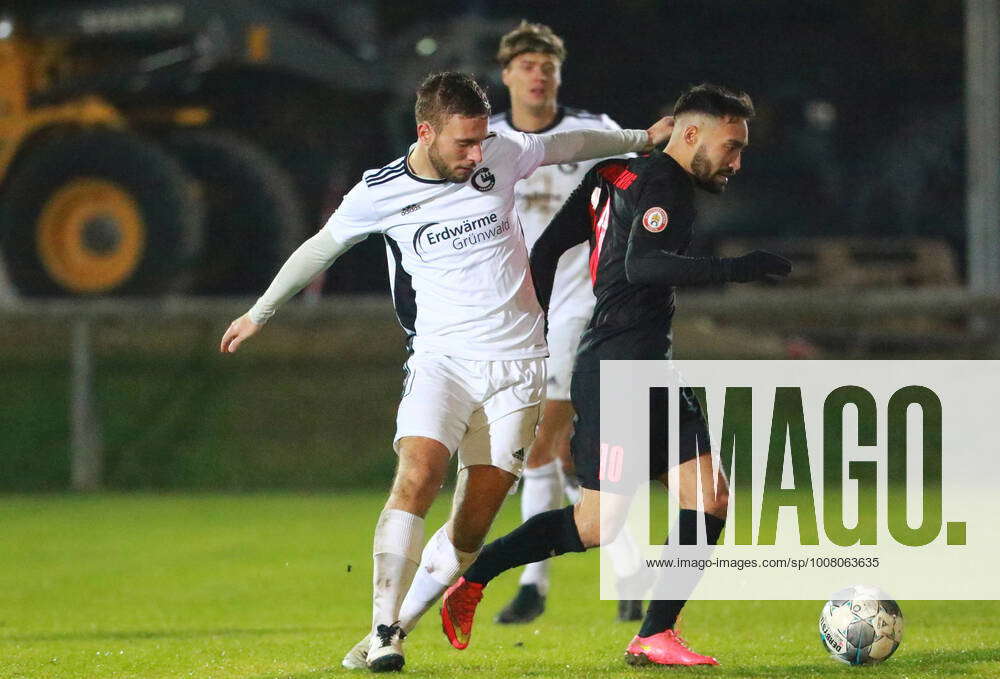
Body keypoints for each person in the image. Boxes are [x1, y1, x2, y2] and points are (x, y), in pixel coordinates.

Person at [220, 71, 674, 673]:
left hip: (518, 368)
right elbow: (320, 247)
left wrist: (642, 138)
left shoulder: (498, 154)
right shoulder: (378, 192)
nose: (476, 153)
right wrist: (261, 311)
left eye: (482, 140)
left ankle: (394, 629)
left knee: (471, 526)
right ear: (425, 131)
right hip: (441, 361)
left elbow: (566, 146)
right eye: (463, 143)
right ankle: (383, 629)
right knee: (418, 474)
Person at [440, 84, 791, 667]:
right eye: (731, 147)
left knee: (707, 498)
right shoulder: (666, 186)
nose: (736, 162)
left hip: (635, 364)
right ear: (689, 134)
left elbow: (548, 248)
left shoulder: (614, 173)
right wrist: (739, 267)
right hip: (621, 369)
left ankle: (653, 634)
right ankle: (475, 577)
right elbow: (644, 264)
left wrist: (536, 329)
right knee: (598, 523)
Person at [487, 20, 645, 625]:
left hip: (579, 306)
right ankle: (627, 565)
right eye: (526, 64)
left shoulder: (594, 133)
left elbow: (641, 186)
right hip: (509, 317)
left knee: (540, 445)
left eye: (547, 64)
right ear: (506, 76)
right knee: (548, 454)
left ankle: (533, 585)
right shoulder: (488, 139)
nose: (538, 74)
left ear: (559, 73)